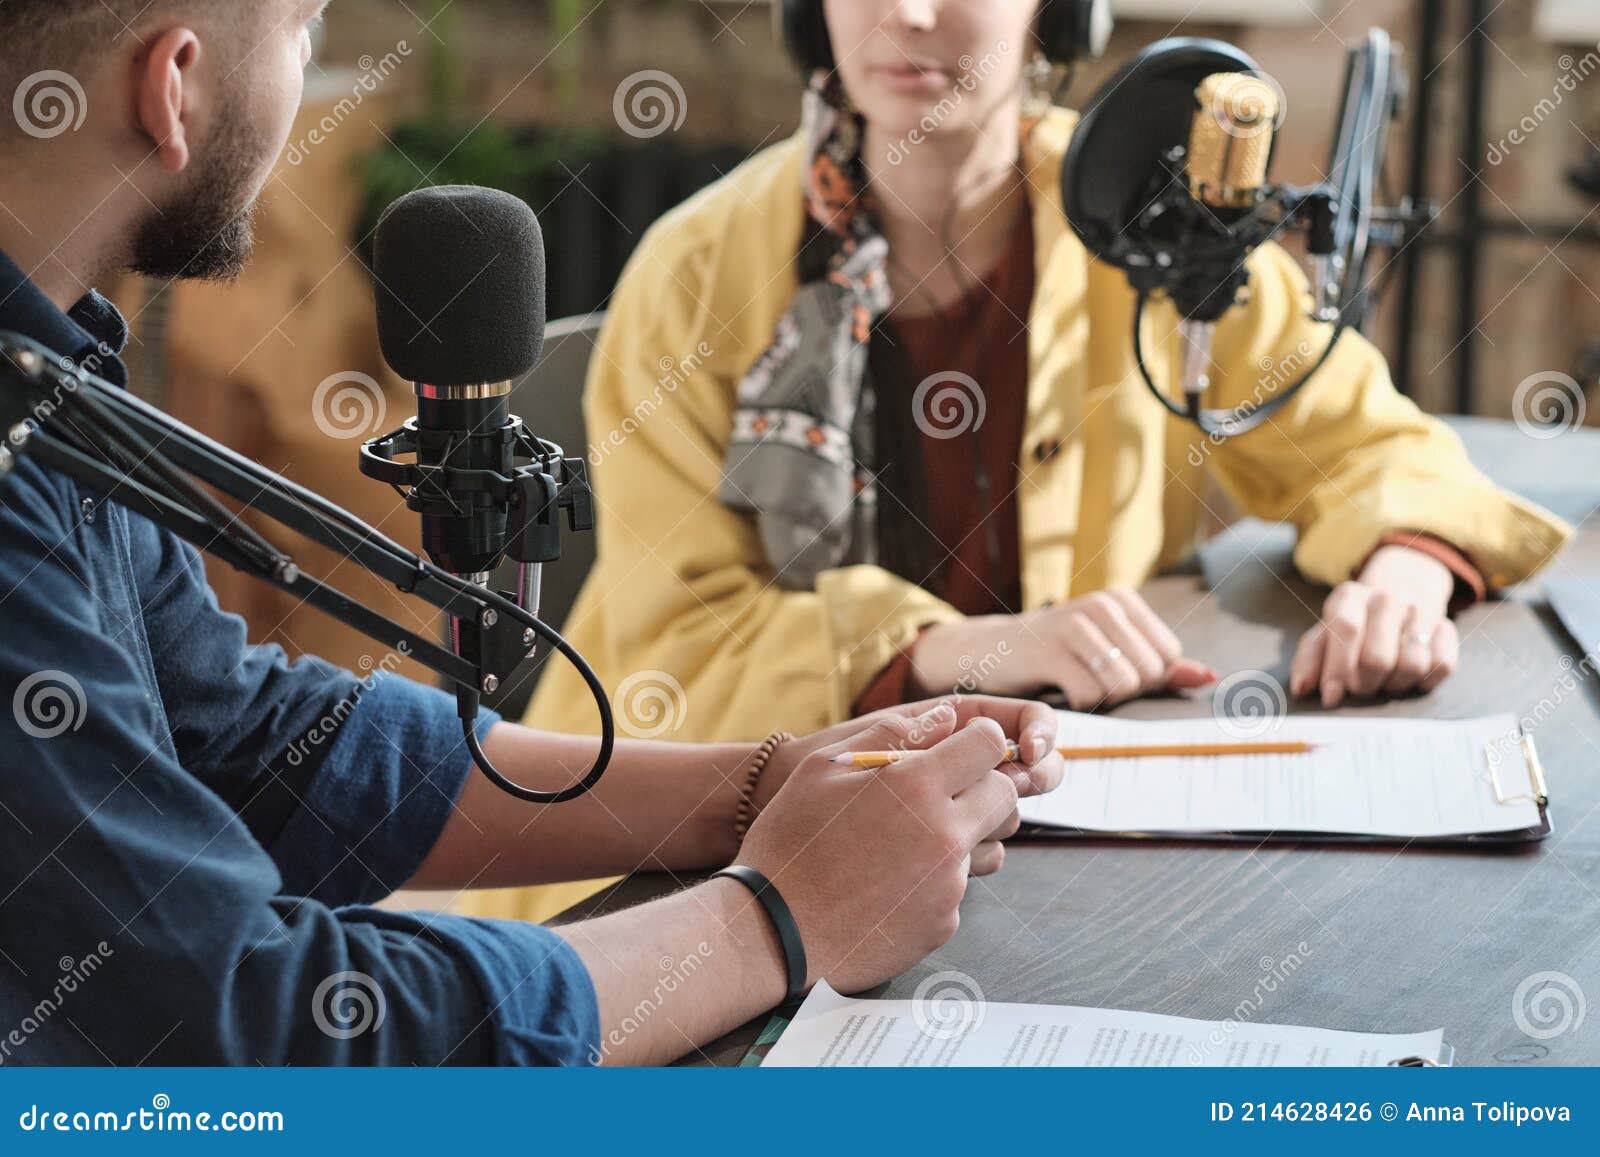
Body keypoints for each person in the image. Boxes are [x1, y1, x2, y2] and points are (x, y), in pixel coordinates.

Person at [0, 0, 1066, 1067]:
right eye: (305, 28)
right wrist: (779, 920)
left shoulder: (48, 374)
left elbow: (248, 739)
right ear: (171, 87)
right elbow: (255, 1028)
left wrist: (761, 783)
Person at [481, 0, 1574, 923]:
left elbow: (1363, 441)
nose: (910, 15)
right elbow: (679, 640)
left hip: (1039, 847)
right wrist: (957, 648)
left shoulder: (1156, 226)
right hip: (676, 878)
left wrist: (1405, 568)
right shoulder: (695, 268)